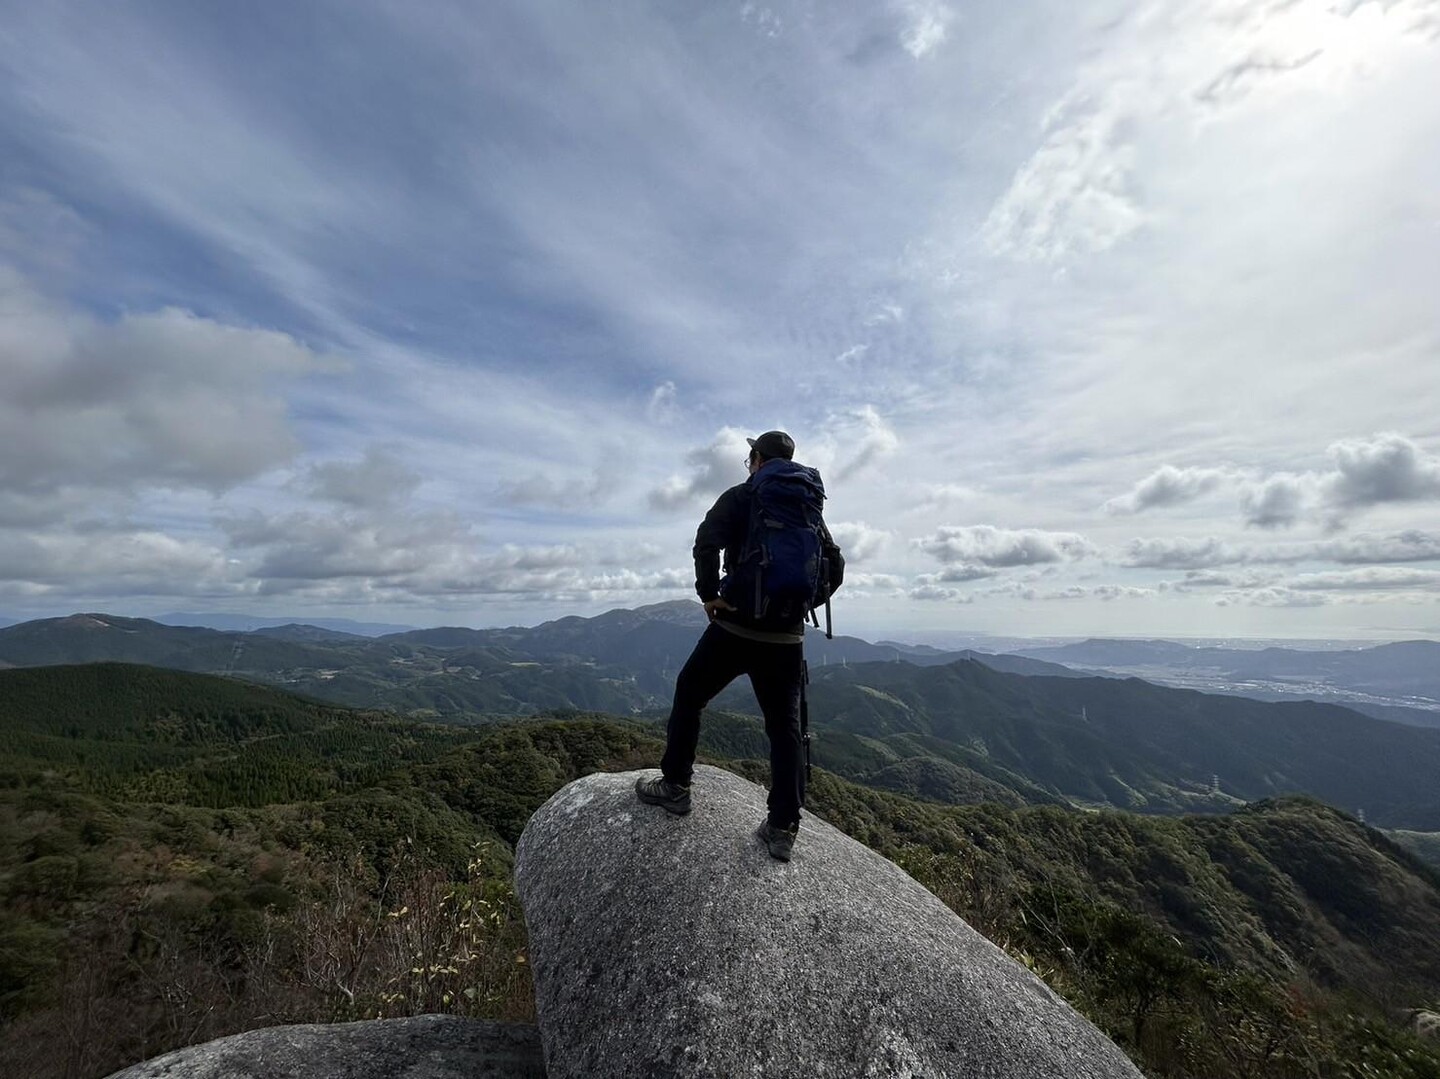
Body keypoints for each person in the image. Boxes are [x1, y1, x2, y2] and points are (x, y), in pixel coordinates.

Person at [635, 430, 842, 862]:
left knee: (689, 693)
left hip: (734, 629)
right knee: (784, 731)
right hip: (786, 640)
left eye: (750, 458)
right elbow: (834, 568)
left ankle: (675, 786)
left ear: (756, 458)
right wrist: (795, 606)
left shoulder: (744, 496)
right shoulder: (808, 507)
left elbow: (706, 541)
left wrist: (710, 594)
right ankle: (783, 827)